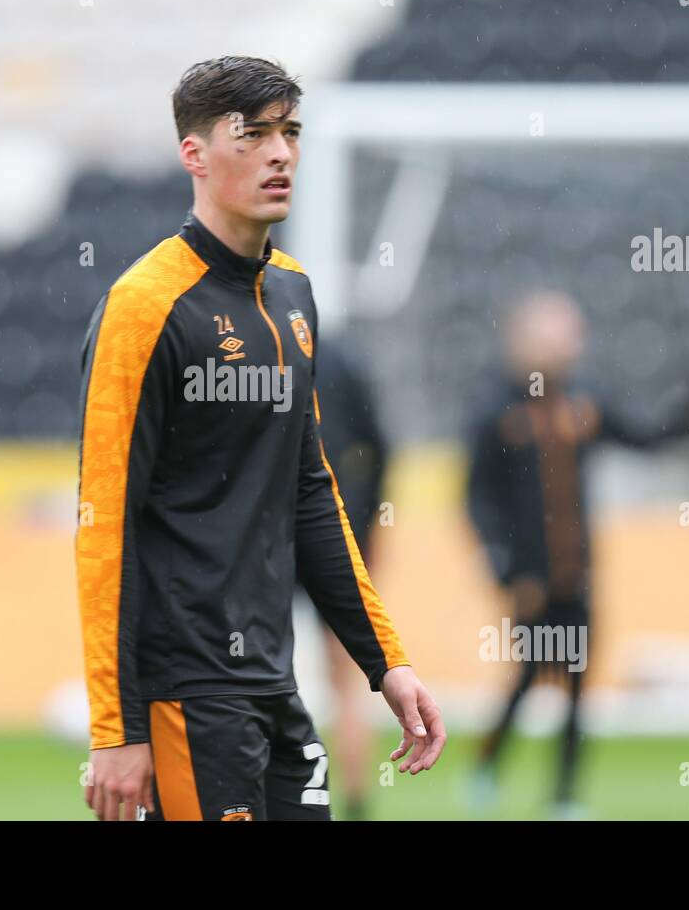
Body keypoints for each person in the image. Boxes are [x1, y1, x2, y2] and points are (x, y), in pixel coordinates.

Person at [75, 56, 445, 821]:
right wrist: (117, 729)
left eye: (291, 132)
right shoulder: (143, 307)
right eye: (254, 134)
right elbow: (105, 527)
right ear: (195, 154)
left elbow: (310, 489)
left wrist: (387, 664)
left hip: (274, 684)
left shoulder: (292, 294)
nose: (281, 153)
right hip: (186, 693)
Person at [465, 289, 689, 818]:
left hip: (576, 573)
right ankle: (487, 768)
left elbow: (647, 439)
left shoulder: (583, 403)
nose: (568, 346)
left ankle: (564, 796)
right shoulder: (498, 410)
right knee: (532, 676)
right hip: (531, 579)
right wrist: (506, 568)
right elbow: (477, 498)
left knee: (578, 686)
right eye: (556, 334)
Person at [307, 337, 390, 821]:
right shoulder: (342, 357)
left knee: (253, 671)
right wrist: (370, 522)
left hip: (269, 536)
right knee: (348, 680)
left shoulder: (247, 348)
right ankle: (355, 802)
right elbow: (380, 446)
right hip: (337, 532)